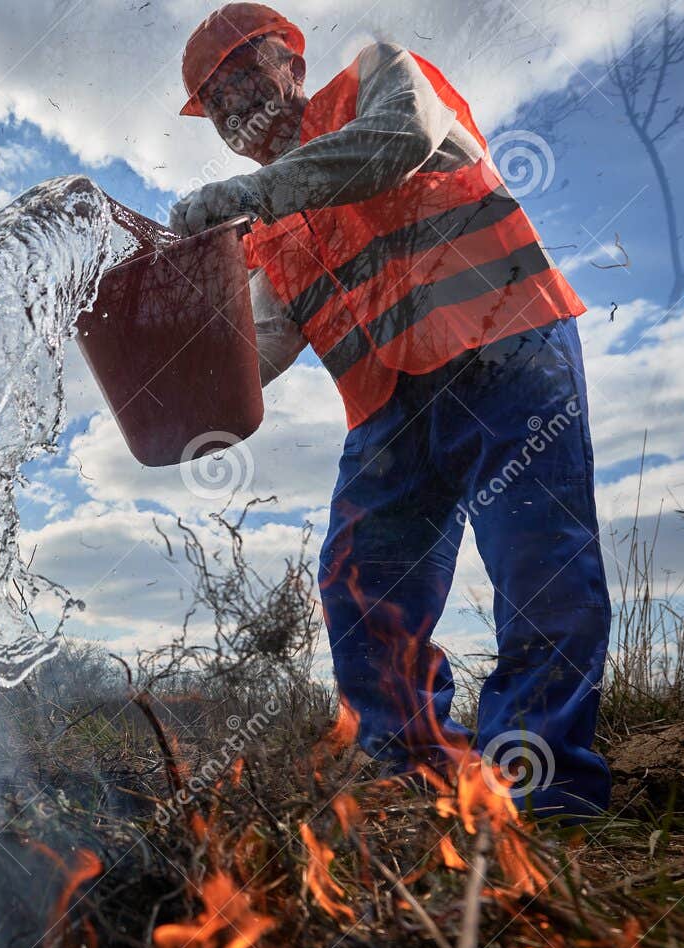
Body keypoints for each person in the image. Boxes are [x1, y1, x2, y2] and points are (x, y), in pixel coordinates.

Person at [170, 4, 611, 819]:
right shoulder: (267, 231)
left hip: (502, 345)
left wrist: (252, 194)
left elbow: (397, 144)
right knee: (359, 586)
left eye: (241, 79)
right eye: (217, 103)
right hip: (389, 410)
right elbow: (256, 355)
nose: (235, 110)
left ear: (291, 63)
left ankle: (544, 793)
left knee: (540, 566)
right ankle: (414, 777)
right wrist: (162, 377)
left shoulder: (379, 79)